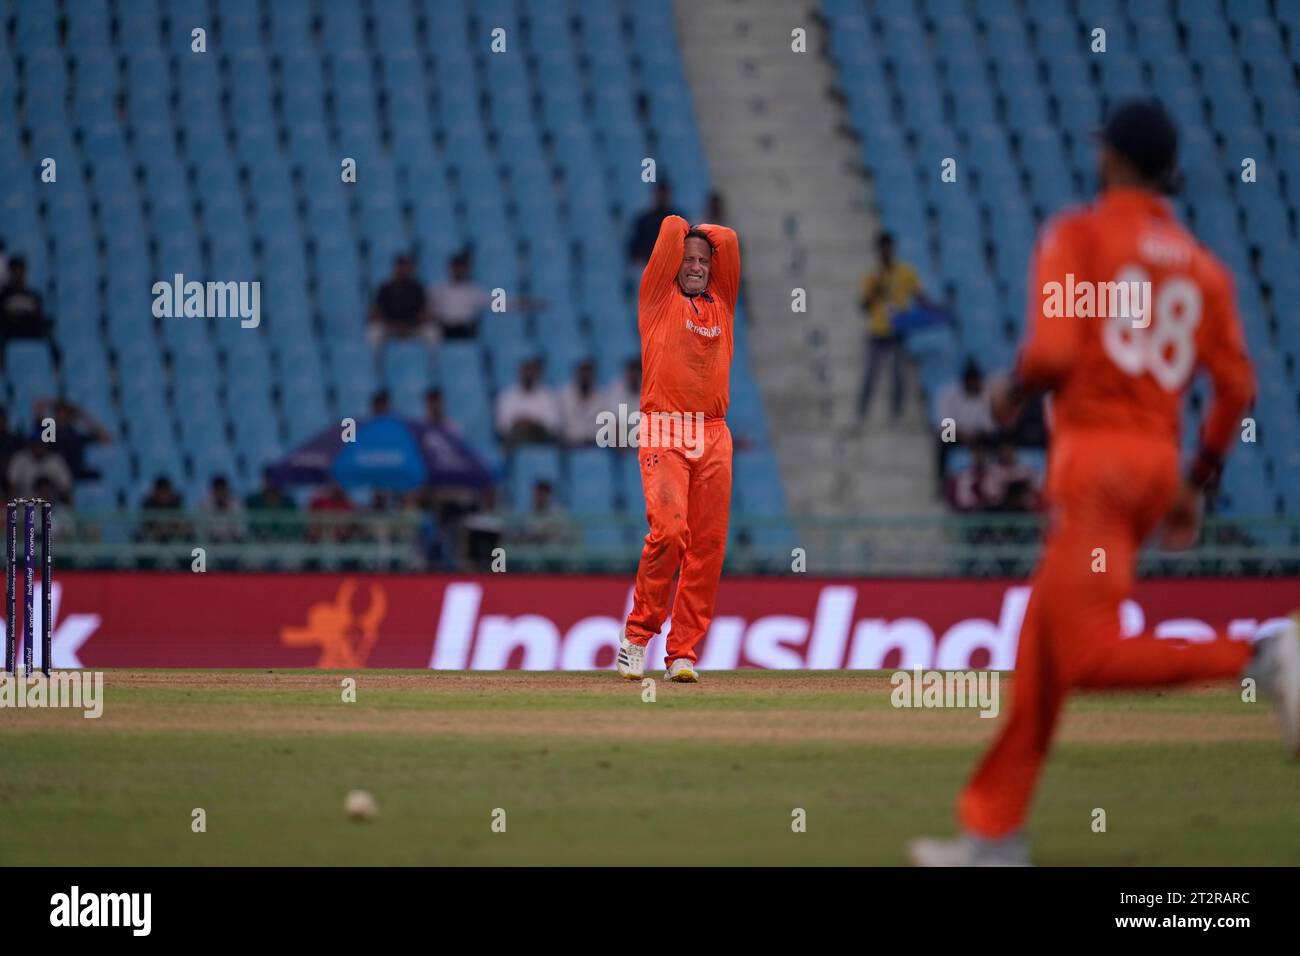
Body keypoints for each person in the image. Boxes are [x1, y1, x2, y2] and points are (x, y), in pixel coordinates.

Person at [909, 97, 1299, 867]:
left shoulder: (1079, 236)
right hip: (1155, 464)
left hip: (1093, 464)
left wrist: (1006, 395)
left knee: (1083, 656)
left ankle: (1262, 654)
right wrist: (1198, 481)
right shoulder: (1205, 269)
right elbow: (1236, 387)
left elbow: (1052, 353)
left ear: (1110, 158)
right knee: (1043, 657)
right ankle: (994, 838)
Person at [616, 214, 739, 684]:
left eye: (703, 261)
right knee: (669, 532)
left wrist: (706, 237)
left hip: (713, 434)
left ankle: (682, 652)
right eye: (687, 259)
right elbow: (670, 227)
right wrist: (687, 230)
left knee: (706, 548)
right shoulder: (656, 298)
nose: (695, 266)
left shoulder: (722, 303)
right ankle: (636, 637)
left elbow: (729, 240)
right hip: (665, 429)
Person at [855, 233, 933, 426]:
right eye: (882, 249)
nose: (886, 252)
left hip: (898, 331)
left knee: (898, 375)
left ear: (893, 249)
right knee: (870, 374)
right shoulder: (871, 277)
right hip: (876, 332)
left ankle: (896, 415)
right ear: (878, 251)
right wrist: (875, 290)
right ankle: (861, 414)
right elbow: (863, 307)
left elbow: (920, 297)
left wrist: (936, 311)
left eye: (888, 248)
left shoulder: (906, 273)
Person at [934, 359, 995, 493]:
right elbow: (944, 422)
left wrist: (974, 435)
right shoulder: (949, 394)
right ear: (966, 381)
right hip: (956, 435)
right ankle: (941, 482)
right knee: (943, 441)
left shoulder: (985, 394)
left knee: (993, 439)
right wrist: (962, 434)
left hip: (976, 435)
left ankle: (989, 480)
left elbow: (989, 425)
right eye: (974, 382)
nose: (977, 385)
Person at [365, 254, 435, 359]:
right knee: (373, 332)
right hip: (390, 326)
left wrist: (409, 325)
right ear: (395, 268)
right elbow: (377, 312)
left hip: (412, 327)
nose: (403, 271)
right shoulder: (385, 288)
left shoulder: (417, 288)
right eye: (401, 267)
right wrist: (393, 325)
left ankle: (431, 367)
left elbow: (424, 312)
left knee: (432, 332)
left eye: (406, 268)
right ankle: (375, 365)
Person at [33, 397, 112, 480]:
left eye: (66, 416)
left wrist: (82, 415)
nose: (62, 419)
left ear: (71, 418)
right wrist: (56, 402)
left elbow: (106, 438)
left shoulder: (77, 436)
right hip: (53, 477)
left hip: (76, 475)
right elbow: (39, 406)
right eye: (59, 415)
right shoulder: (49, 433)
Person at [428, 249, 492, 341]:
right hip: (444, 329)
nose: (459, 271)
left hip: (466, 330)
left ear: (466, 270)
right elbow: (431, 309)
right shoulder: (439, 289)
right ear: (451, 268)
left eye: (462, 268)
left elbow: (494, 302)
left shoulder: (473, 290)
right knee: (430, 333)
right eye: (456, 267)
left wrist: (517, 303)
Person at [495, 357, 561, 446]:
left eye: (532, 371)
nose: (529, 374)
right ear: (520, 372)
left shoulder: (547, 395)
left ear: (537, 374)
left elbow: (553, 424)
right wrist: (520, 422)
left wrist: (532, 422)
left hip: (540, 435)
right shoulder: (508, 395)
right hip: (516, 434)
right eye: (526, 370)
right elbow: (502, 425)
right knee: (517, 434)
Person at [0, 257, 51, 356]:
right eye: (15, 271)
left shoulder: (34, 296)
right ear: (10, 273)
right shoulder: (3, 297)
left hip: (30, 333)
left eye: (21, 271)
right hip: (9, 334)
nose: (18, 275)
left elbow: (39, 318)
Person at [626, 181, 679, 267]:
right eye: (660, 194)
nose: (662, 197)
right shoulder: (645, 221)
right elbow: (635, 251)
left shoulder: (678, 220)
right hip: (649, 266)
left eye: (664, 194)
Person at [557, 358, 605, 446]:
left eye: (588, 372)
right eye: (582, 371)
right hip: (569, 445)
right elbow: (559, 426)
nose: (585, 376)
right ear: (576, 373)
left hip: (594, 445)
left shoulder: (601, 396)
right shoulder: (563, 395)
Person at [6, 437, 72, 500]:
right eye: (36, 444)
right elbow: (12, 486)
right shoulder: (20, 459)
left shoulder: (56, 460)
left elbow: (65, 488)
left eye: (41, 444)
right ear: (31, 444)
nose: (39, 447)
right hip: (24, 505)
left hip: (52, 505)